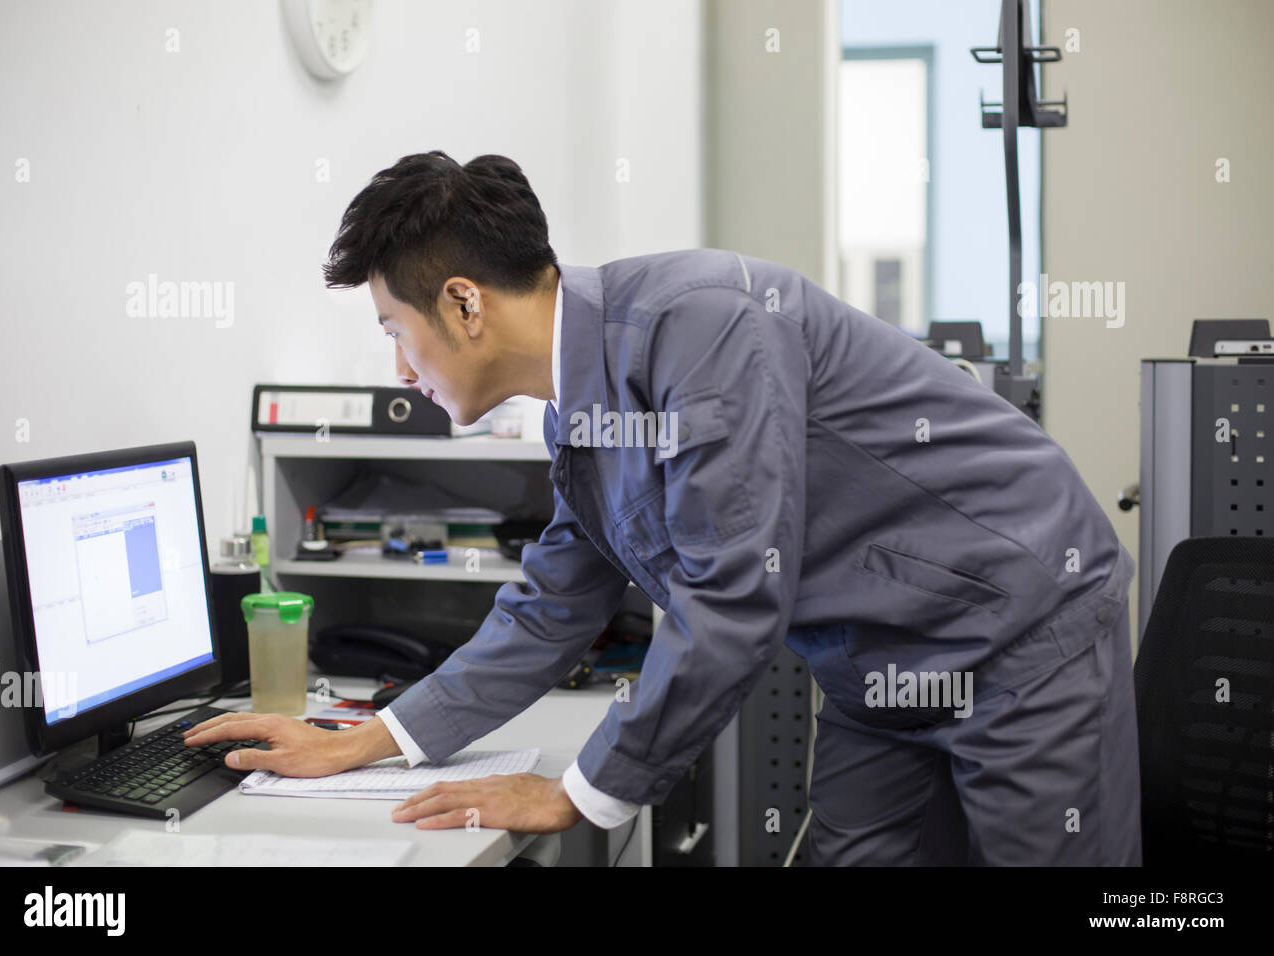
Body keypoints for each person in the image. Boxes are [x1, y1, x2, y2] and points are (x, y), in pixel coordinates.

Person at [185, 150, 1141, 865]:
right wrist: (365, 740)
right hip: (877, 671)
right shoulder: (579, 410)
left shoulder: (705, 324)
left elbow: (731, 600)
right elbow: (555, 606)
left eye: (396, 329)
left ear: (466, 304)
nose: (399, 366)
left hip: (1019, 629)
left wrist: (579, 793)